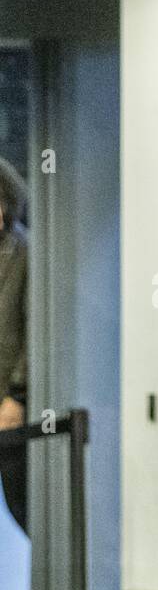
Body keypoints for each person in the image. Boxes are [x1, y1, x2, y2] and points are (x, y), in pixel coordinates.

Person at [0, 157, 28, 532]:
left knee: (23, 505)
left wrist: (18, 396)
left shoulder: (25, 252)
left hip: (9, 404)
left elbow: (35, 331)